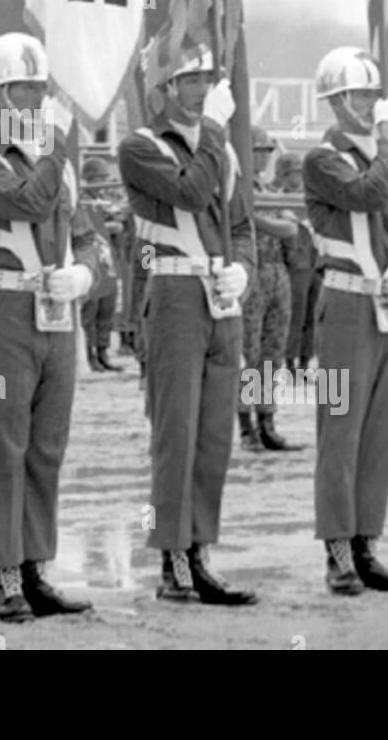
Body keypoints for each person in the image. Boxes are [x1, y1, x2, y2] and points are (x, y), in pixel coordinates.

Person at [0, 32, 100, 623]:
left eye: (39, 89)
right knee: (5, 444)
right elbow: (28, 203)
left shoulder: (58, 165)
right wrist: (59, 147)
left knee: (47, 448)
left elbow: (90, 237)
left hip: (56, 318)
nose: (34, 99)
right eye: (21, 89)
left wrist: (84, 276)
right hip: (9, 317)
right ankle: (3, 574)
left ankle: (36, 567)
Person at [117, 45, 258, 606]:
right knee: (175, 433)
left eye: (208, 78)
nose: (202, 88)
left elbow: (240, 222)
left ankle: (200, 552)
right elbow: (189, 191)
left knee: (214, 436)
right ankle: (172, 559)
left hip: (221, 297)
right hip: (174, 292)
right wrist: (218, 133)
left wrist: (243, 271)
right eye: (190, 79)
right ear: (166, 88)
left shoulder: (219, 146)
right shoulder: (140, 147)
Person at [303, 47, 388, 595]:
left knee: (382, 434)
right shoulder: (323, 159)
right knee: (340, 430)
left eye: (372, 96)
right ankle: (337, 551)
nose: (364, 105)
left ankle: (366, 544)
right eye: (353, 96)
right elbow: (369, 192)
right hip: (346, 307)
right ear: (333, 103)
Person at [239, 127, 301, 451]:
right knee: (248, 354)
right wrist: (258, 219)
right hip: (251, 274)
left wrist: (255, 220)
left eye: (266, 150)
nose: (263, 156)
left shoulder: (267, 190)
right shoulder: (237, 187)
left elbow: (290, 228)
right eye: (257, 150)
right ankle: (246, 426)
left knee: (271, 355)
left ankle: (267, 422)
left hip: (277, 273)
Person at [78, 155, 126, 374]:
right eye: (100, 178)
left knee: (106, 308)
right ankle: (89, 353)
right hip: (91, 261)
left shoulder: (104, 201)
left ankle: (103, 352)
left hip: (107, 262)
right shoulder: (81, 201)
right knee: (91, 310)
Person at [274, 151, 319, 371]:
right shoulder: (276, 201)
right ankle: (290, 358)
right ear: (281, 176)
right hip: (294, 265)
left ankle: (306, 357)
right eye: (291, 173)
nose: (296, 178)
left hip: (315, 261)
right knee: (295, 312)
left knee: (313, 312)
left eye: (298, 173)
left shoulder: (311, 198)